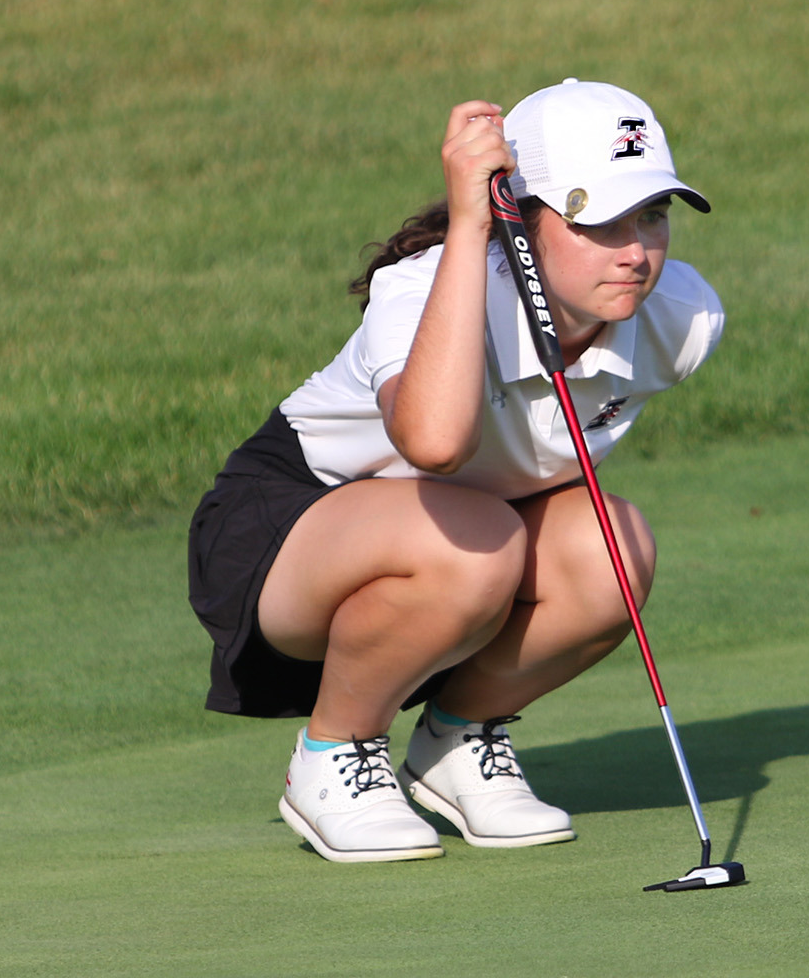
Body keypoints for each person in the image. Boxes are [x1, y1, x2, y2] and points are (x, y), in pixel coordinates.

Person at [186, 79, 722, 863]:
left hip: (467, 537)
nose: (637, 252)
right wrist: (471, 224)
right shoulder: (420, 291)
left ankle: (458, 740)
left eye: (653, 215)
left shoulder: (684, 317)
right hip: (287, 534)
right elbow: (434, 447)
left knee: (615, 547)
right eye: (600, 222)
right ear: (519, 216)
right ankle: (334, 756)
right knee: (480, 543)